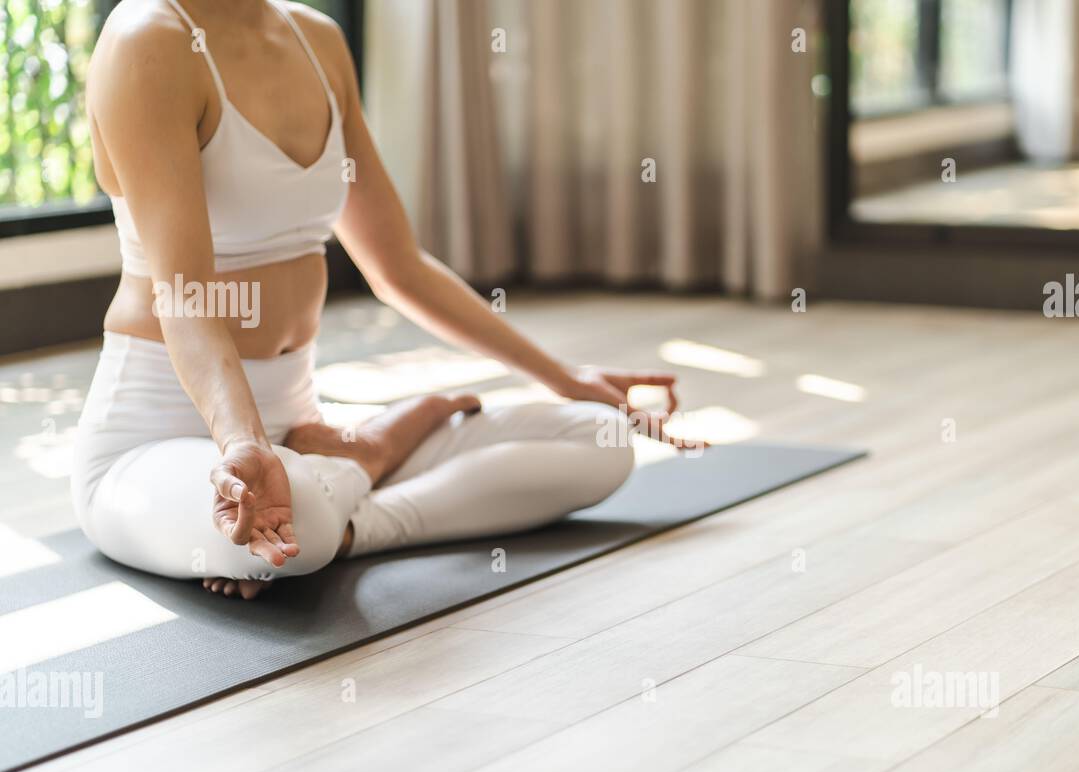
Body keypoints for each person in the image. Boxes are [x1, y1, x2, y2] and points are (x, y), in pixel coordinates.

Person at [73, 0, 689, 600]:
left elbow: (400, 269)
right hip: (155, 443)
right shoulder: (146, 40)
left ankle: (353, 516)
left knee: (599, 442)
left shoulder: (317, 39)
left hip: (302, 428)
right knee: (299, 522)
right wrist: (245, 445)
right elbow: (185, 297)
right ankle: (364, 462)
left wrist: (565, 377)